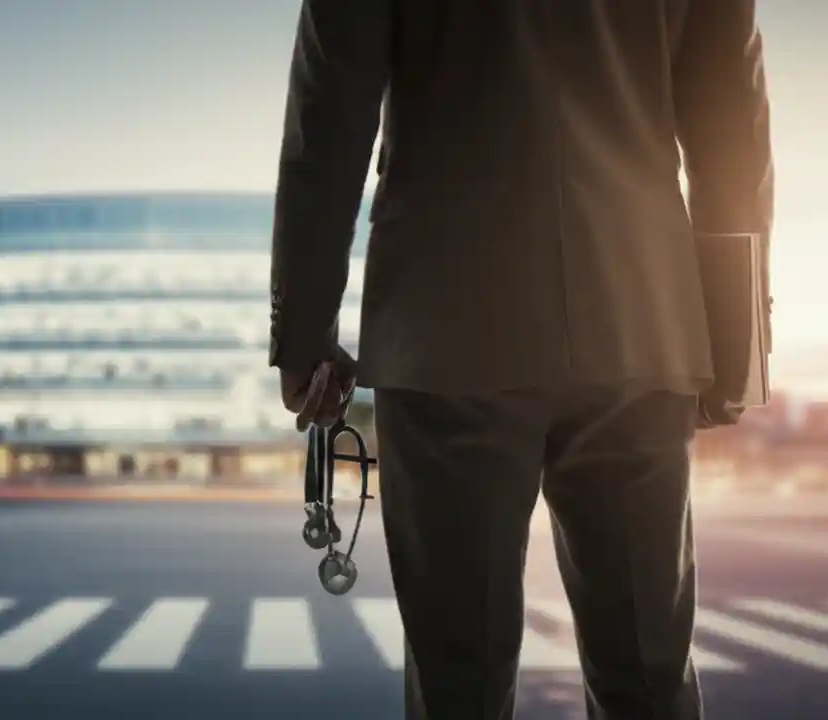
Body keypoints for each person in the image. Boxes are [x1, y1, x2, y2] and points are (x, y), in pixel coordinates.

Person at [268, 1, 773, 719]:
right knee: (647, 671)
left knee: (458, 680)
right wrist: (732, 335)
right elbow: (731, 115)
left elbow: (327, 115)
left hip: (448, 326)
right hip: (635, 318)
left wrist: (304, 334)